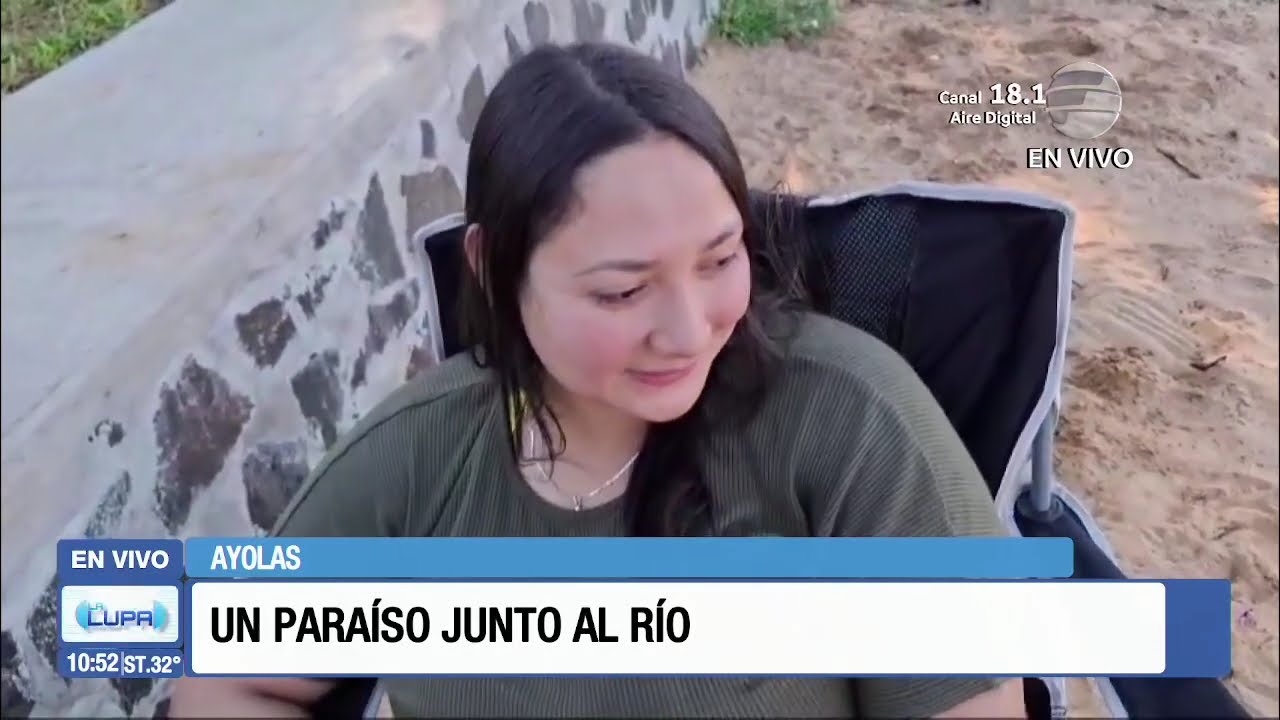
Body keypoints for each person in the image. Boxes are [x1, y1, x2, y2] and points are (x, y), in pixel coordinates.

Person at [169, 41, 1026, 718]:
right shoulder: (420, 460)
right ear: (495, 266)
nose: (690, 330)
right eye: (622, 289)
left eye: (721, 258)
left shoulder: (852, 425)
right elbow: (232, 679)